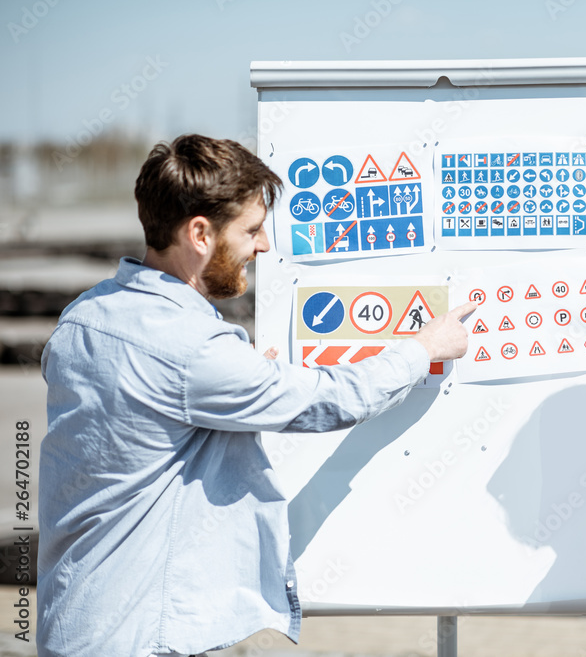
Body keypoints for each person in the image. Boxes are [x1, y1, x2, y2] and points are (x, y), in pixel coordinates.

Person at [37, 134, 476, 656]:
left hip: (75, 623)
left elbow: (145, 426)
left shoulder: (84, 316)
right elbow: (329, 399)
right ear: (199, 233)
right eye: (251, 230)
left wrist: (238, 380)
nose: (264, 246)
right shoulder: (194, 349)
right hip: (141, 636)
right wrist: (423, 347)